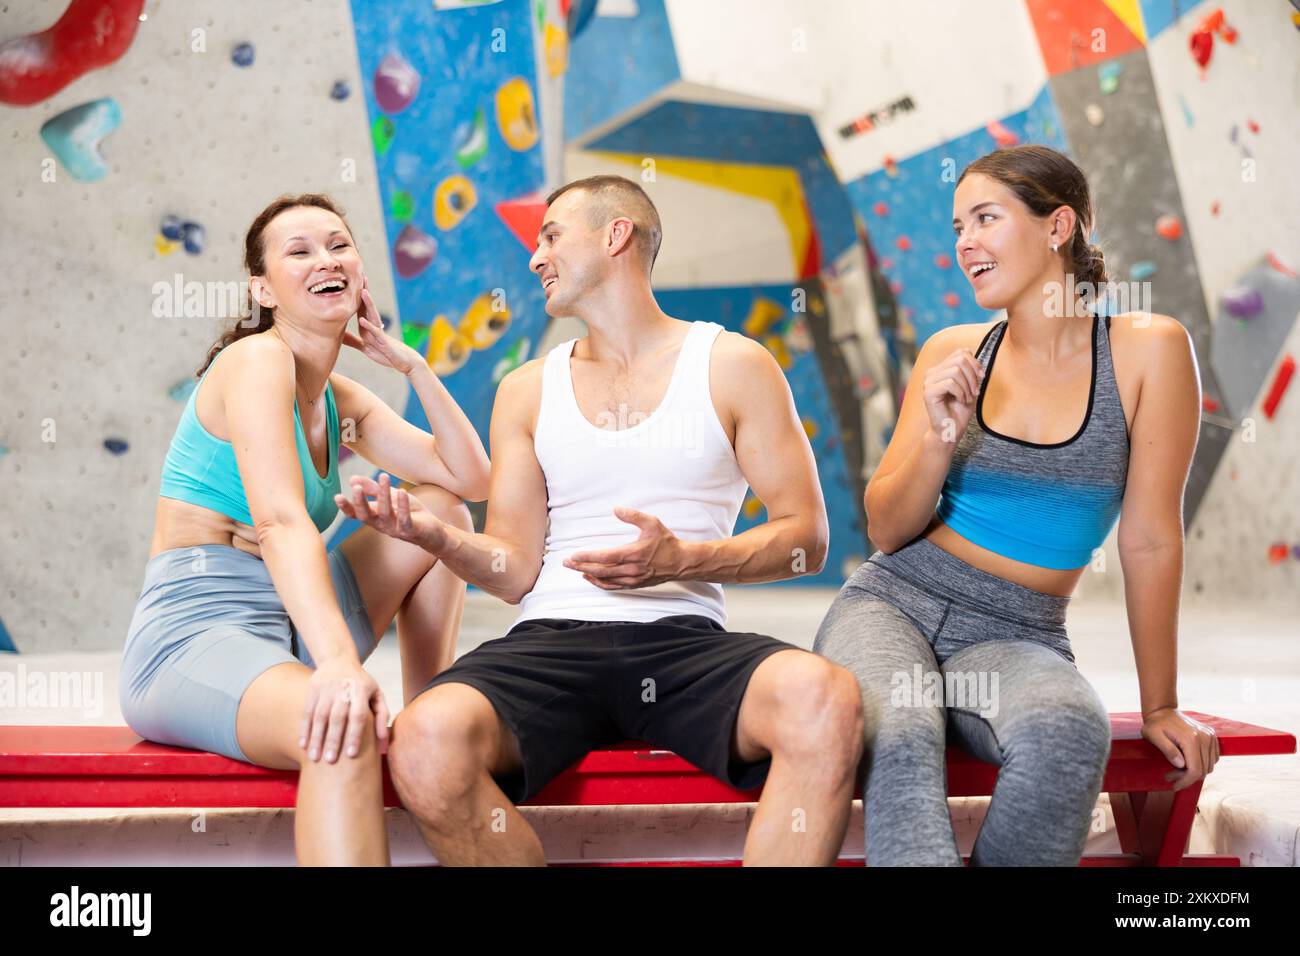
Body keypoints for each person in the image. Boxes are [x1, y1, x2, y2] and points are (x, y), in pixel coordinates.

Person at [337, 175, 864, 866]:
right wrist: (437, 537)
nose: (536, 257)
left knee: (826, 698)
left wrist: (685, 561)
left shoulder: (733, 365)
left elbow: (806, 539)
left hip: (684, 642)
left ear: (616, 236)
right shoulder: (526, 389)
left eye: (551, 236)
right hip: (551, 643)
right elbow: (514, 570)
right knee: (424, 738)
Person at [815, 145, 1220, 866]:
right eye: (957, 226)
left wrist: (1160, 705)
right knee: (902, 729)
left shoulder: (1148, 351)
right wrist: (939, 437)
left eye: (985, 218)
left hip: (1018, 632)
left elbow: (1151, 539)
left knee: (1070, 729)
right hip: (891, 606)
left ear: (1058, 226)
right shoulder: (951, 350)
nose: (965, 242)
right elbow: (887, 528)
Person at [119, 193, 490, 865]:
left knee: (440, 513)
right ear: (262, 290)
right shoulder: (256, 362)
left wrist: (412, 365)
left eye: (339, 245)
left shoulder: (341, 401)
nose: (327, 260)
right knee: (344, 726)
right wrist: (342, 666)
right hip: (200, 633)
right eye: (300, 251)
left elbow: (471, 480)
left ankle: (427, 721)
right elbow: (280, 520)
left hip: (293, 622)